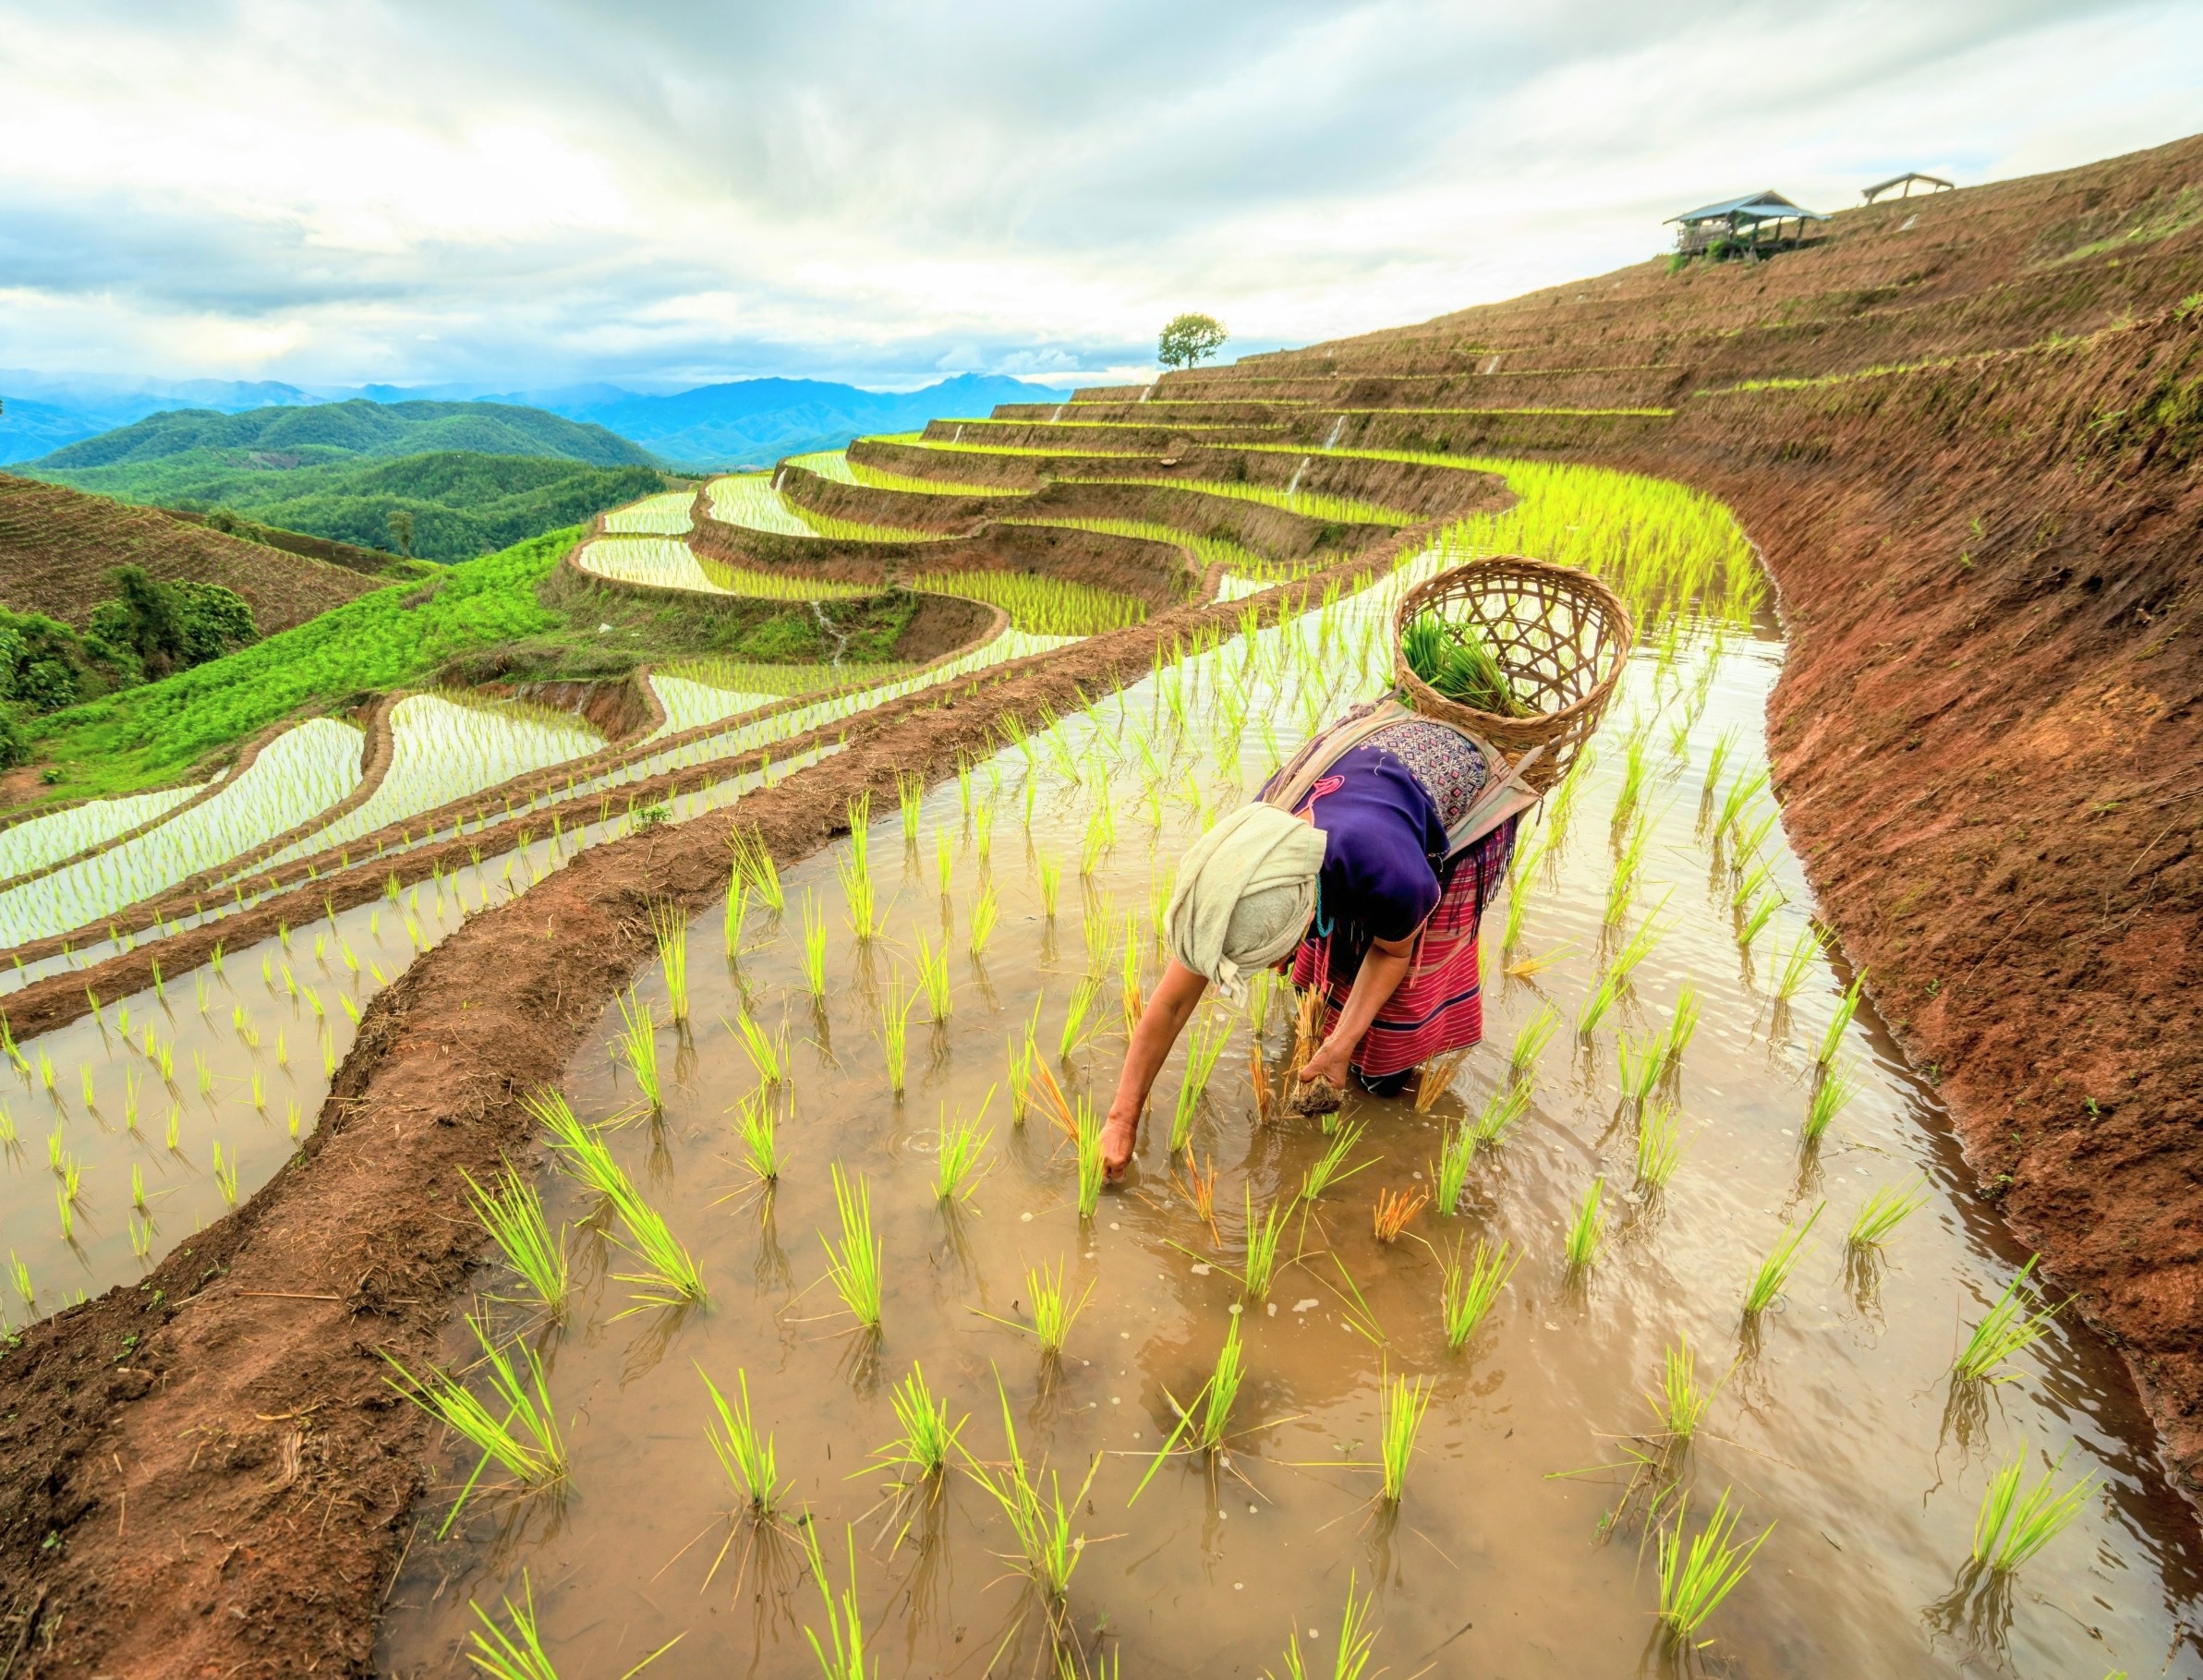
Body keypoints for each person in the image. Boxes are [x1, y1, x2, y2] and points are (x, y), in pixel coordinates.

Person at [1101, 698, 1524, 1178]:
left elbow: (1392, 952)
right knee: (1333, 967)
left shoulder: (1395, 874)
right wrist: (1121, 1117)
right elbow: (1172, 1003)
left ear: (1303, 916)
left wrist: (1341, 1047)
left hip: (1449, 776)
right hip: (1357, 772)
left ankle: (1381, 1062)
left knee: (1385, 1059)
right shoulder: (1249, 860)